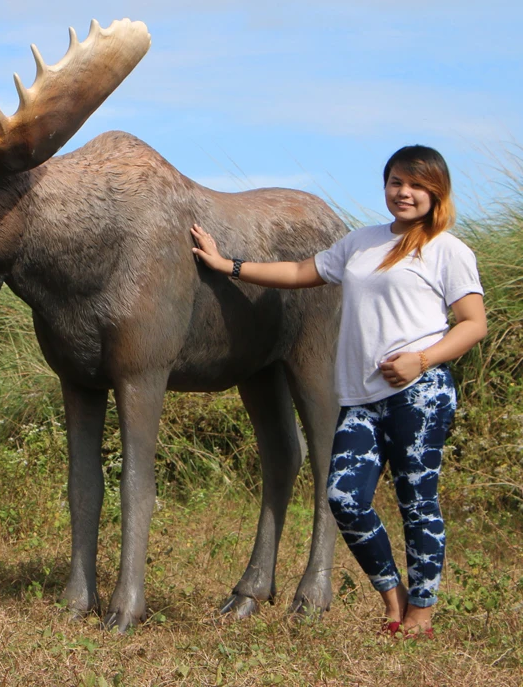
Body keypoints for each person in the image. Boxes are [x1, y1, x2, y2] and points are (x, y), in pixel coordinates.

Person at [190, 145, 486, 638]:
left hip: (420, 393)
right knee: (344, 497)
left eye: (417, 185)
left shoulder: (447, 250)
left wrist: (421, 359)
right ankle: (393, 595)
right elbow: (299, 272)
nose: (404, 193)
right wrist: (229, 265)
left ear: (437, 192)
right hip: (362, 399)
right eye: (396, 182)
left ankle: (420, 613)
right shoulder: (362, 242)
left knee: (417, 503)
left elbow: (473, 323)